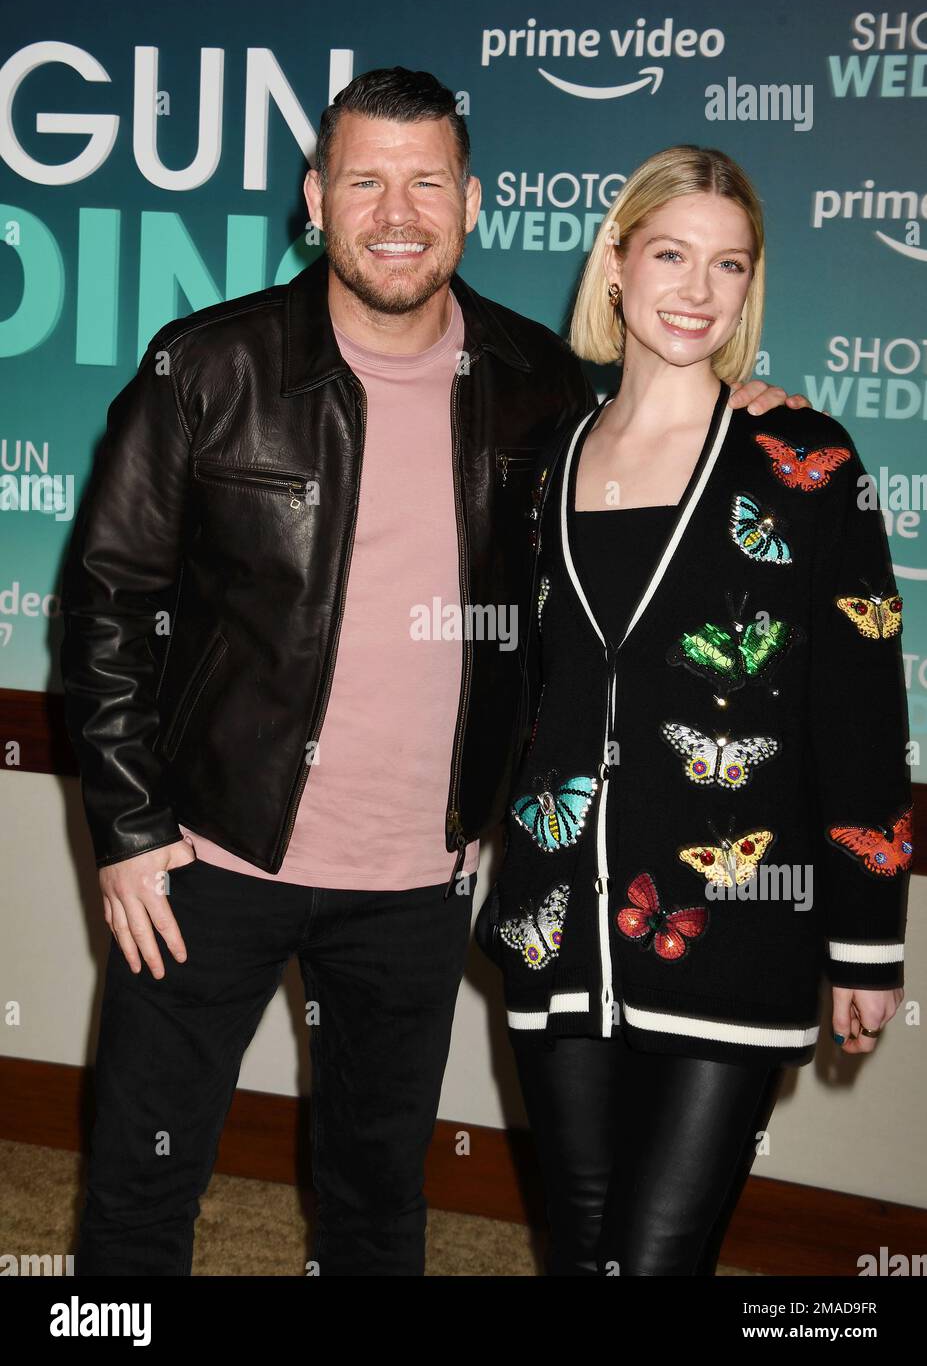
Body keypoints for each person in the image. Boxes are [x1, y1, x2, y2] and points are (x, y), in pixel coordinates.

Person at [60, 69, 803, 1277]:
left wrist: (751, 416)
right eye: (365, 180)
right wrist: (131, 828)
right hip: (206, 859)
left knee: (375, 1206)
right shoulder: (208, 367)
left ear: (473, 203)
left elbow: (648, 479)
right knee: (140, 1199)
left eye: (426, 182)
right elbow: (108, 599)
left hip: (420, 880)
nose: (396, 212)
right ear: (316, 199)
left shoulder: (541, 384)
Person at [477, 144, 912, 1276]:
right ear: (616, 266)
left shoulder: (802, 458)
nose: (698, 289)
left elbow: (864, 709)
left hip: (737, 922)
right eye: (671, 254)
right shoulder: (548, 462)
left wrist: (867, 937)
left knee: (657, 1253)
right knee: (581, 1247)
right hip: (557, 921)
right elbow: (518, 685)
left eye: (729, 264)